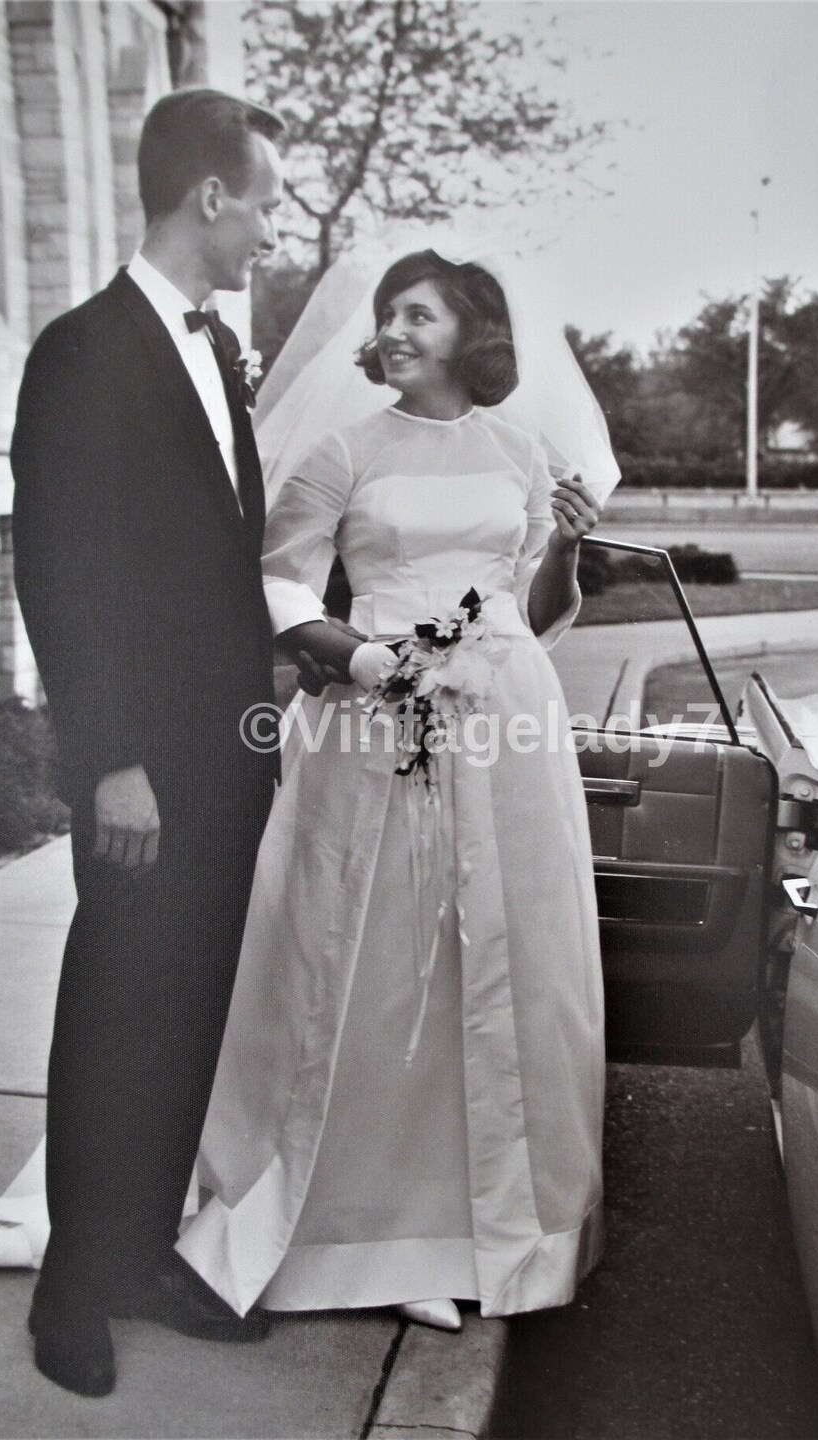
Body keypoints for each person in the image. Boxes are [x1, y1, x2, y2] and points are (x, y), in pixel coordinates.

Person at [177, 245, 614, 1329]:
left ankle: (489, 1228)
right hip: (373, 719)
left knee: (502, 962)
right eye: (390, 316)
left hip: (506, 719)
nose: (399, 331)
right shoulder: (342, 450)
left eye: (420, 314)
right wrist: (364, 658)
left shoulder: (523, 450)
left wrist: (564, 540)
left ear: (472, 332)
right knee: (374, 964)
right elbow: (279, 580)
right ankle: (370, 1230)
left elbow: (540, 604)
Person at [9, 88, 286, 1397]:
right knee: (115, 1013)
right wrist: (110, 757)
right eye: (267, 206)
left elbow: (219, 564)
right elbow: (60, 570)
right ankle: (74, 1284)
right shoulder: (80, 349)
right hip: (142, 772)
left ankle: (140, 1255)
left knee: (186, 1018)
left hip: (230, 758)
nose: (272, 236)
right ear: (212, 196)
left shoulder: (221, 352)